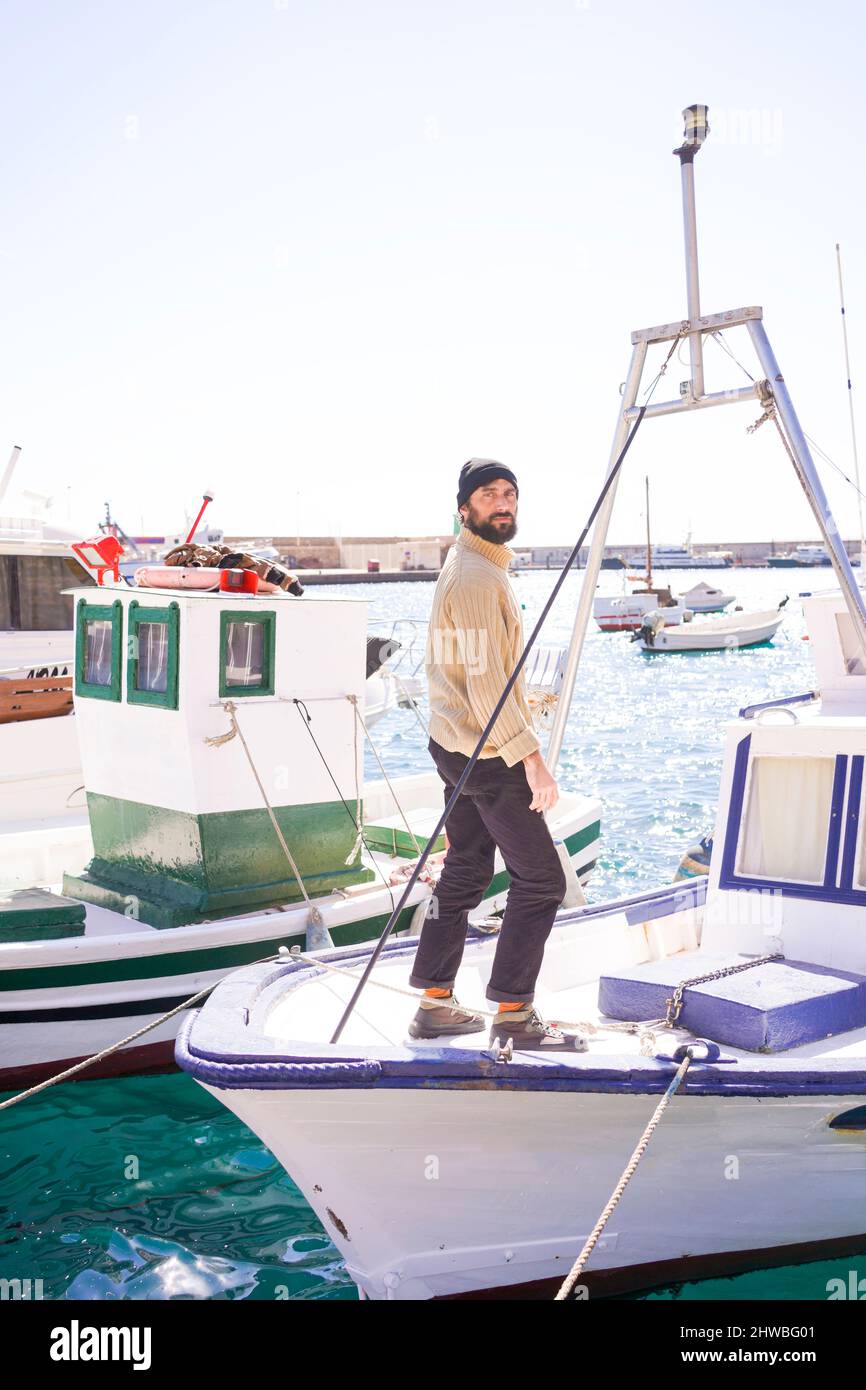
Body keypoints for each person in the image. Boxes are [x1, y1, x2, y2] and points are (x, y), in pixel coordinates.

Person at [408, 458, 584, 1051]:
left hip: (453, 743)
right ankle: (514, 1014)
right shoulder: (479, 578)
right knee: (541, 882)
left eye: (510, 493)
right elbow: (488, 688)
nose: (503, 502)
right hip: (486, 755)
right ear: (465, 508)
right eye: (489, 494)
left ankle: (435, 1004)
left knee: (465, 869)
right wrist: (530, 755)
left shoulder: (472, 564)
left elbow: (476, 676)